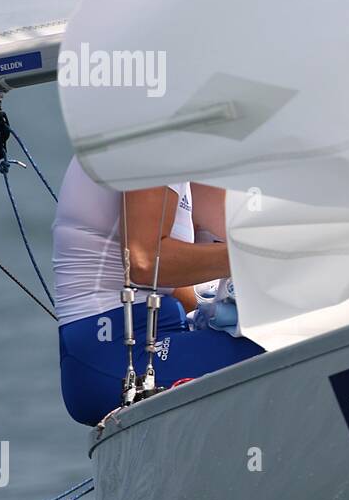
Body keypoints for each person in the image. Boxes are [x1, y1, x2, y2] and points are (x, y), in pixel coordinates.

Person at [52, 157, 263, 425]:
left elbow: (242, 231)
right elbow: (144, 261)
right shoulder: (152, 133)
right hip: (117, 355)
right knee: (291, 348)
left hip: (133, 345)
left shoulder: (181, 152)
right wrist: (259, 255)